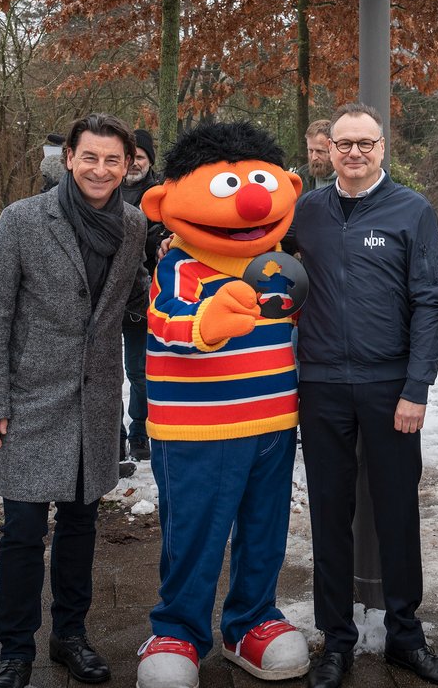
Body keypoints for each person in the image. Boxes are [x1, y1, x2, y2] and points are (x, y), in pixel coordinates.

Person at [0, 114, 148, 688]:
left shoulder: (134, 225)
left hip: (95, 401)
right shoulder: (22, 219)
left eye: (113, 160)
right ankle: (14, 652)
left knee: (81, 525)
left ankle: (70, 636)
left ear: (128, 166)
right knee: (22, 529)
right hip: (30, 400)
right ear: (69, 158)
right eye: (91, 157)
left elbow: (131, 302)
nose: (101, 169)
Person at [288, 103, 438, 688]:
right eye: (343, 144)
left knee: (395, 513)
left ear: (382, 147)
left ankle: (404, 637)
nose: (354, 153)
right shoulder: (305, 212)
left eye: (365, 143)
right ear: (326, 149)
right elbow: (254, 262)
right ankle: (336, 641)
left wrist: (417, 388)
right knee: (330, 516)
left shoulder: (411, 210)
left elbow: (429, 306)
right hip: (320, 386)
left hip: (391, 390)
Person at [134, 122, 310, 688]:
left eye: (261, 184)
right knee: (194, 533)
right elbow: (162, 321)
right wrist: (204, 325)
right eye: (225, 187)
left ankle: (251, 622)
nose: (251, 201)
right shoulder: (180, 263)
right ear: (164, 204)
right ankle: (178, 629)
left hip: (274, 422)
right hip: (198, 429)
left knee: (265, 529)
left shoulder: (282, 262)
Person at [118, 128, 165, 462]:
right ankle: (112, 435)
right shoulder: (104, 191)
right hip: (103, 299)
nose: (134, 164)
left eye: (141, 158)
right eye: (130, 158)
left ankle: (138, 433)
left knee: (139, 371)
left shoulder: (160, 197)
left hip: (141, 298)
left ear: (149, 161)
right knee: (104, 373)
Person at [293, 118, 336, 193]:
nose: (314, 157)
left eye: (319, 151)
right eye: (310, 151)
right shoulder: (301, 177)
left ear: (332, 149)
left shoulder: (349, 178)